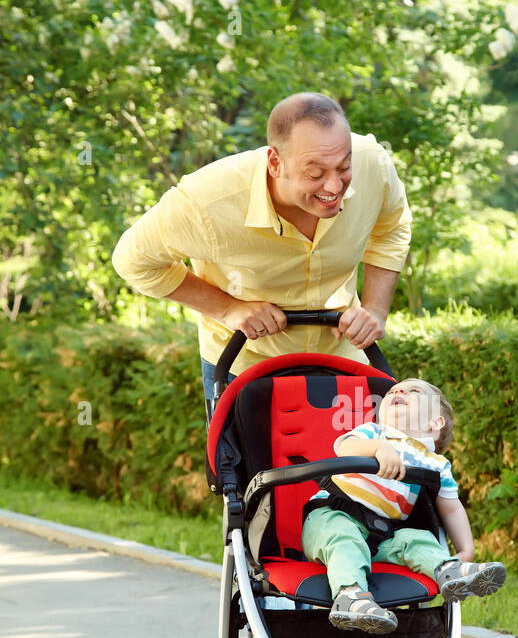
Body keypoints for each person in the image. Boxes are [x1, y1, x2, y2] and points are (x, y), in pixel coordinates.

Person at [110, 92, 411, 414]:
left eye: (344, 167)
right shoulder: (206, 203)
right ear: (275, 163)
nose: (335, 186)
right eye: (315, 174)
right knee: (250, 465)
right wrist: (228, 309)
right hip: (246, 365)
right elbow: (133, 261)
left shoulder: (373, 164)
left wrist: (376, 308)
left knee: (357, 461)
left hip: (343, 357)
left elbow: (391, 229)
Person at [302, 378, 506, 634]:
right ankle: (350, 596)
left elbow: (451, 508)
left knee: (416, 538)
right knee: (345, 538)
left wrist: (466, 549)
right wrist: (379, 448)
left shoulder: (436, 463)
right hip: (331, 517)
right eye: (392, 391)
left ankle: (449, 569)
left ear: (435, 423)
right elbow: (345, 447)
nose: (398, 391)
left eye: (414, 391)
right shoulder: (375, 433)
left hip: (382, 537)